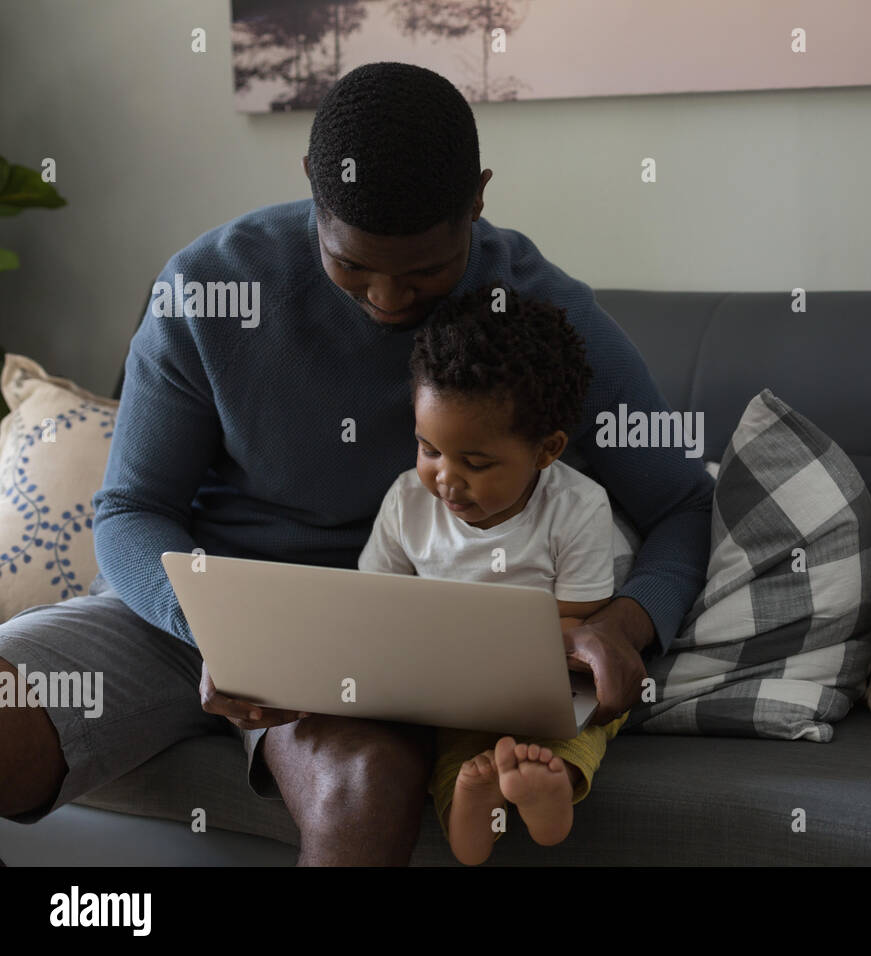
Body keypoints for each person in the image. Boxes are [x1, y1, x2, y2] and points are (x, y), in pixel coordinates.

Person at [0, 61, 713, 866]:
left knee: (364, 787)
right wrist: (211, 629)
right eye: (353, 266)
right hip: (182, 614)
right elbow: (130, 509)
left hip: (362, 658)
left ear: (478, 198)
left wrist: (624, 623)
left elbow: (682, 503)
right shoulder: (208, 287)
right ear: (312, 184)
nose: (387, 300)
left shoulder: (541, 316)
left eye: (424, 273)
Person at [359, 286, 626, 865]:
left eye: (476, 464)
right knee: (459, 758)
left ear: (546, 450)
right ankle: (473, 815)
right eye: (428, 449)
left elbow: (576, 625)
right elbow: (374, 603)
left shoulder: (577, 508)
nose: (447, 479)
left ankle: (550, 795)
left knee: (577, 733)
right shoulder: (407, 501)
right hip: (453, 694)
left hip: (553, 684)